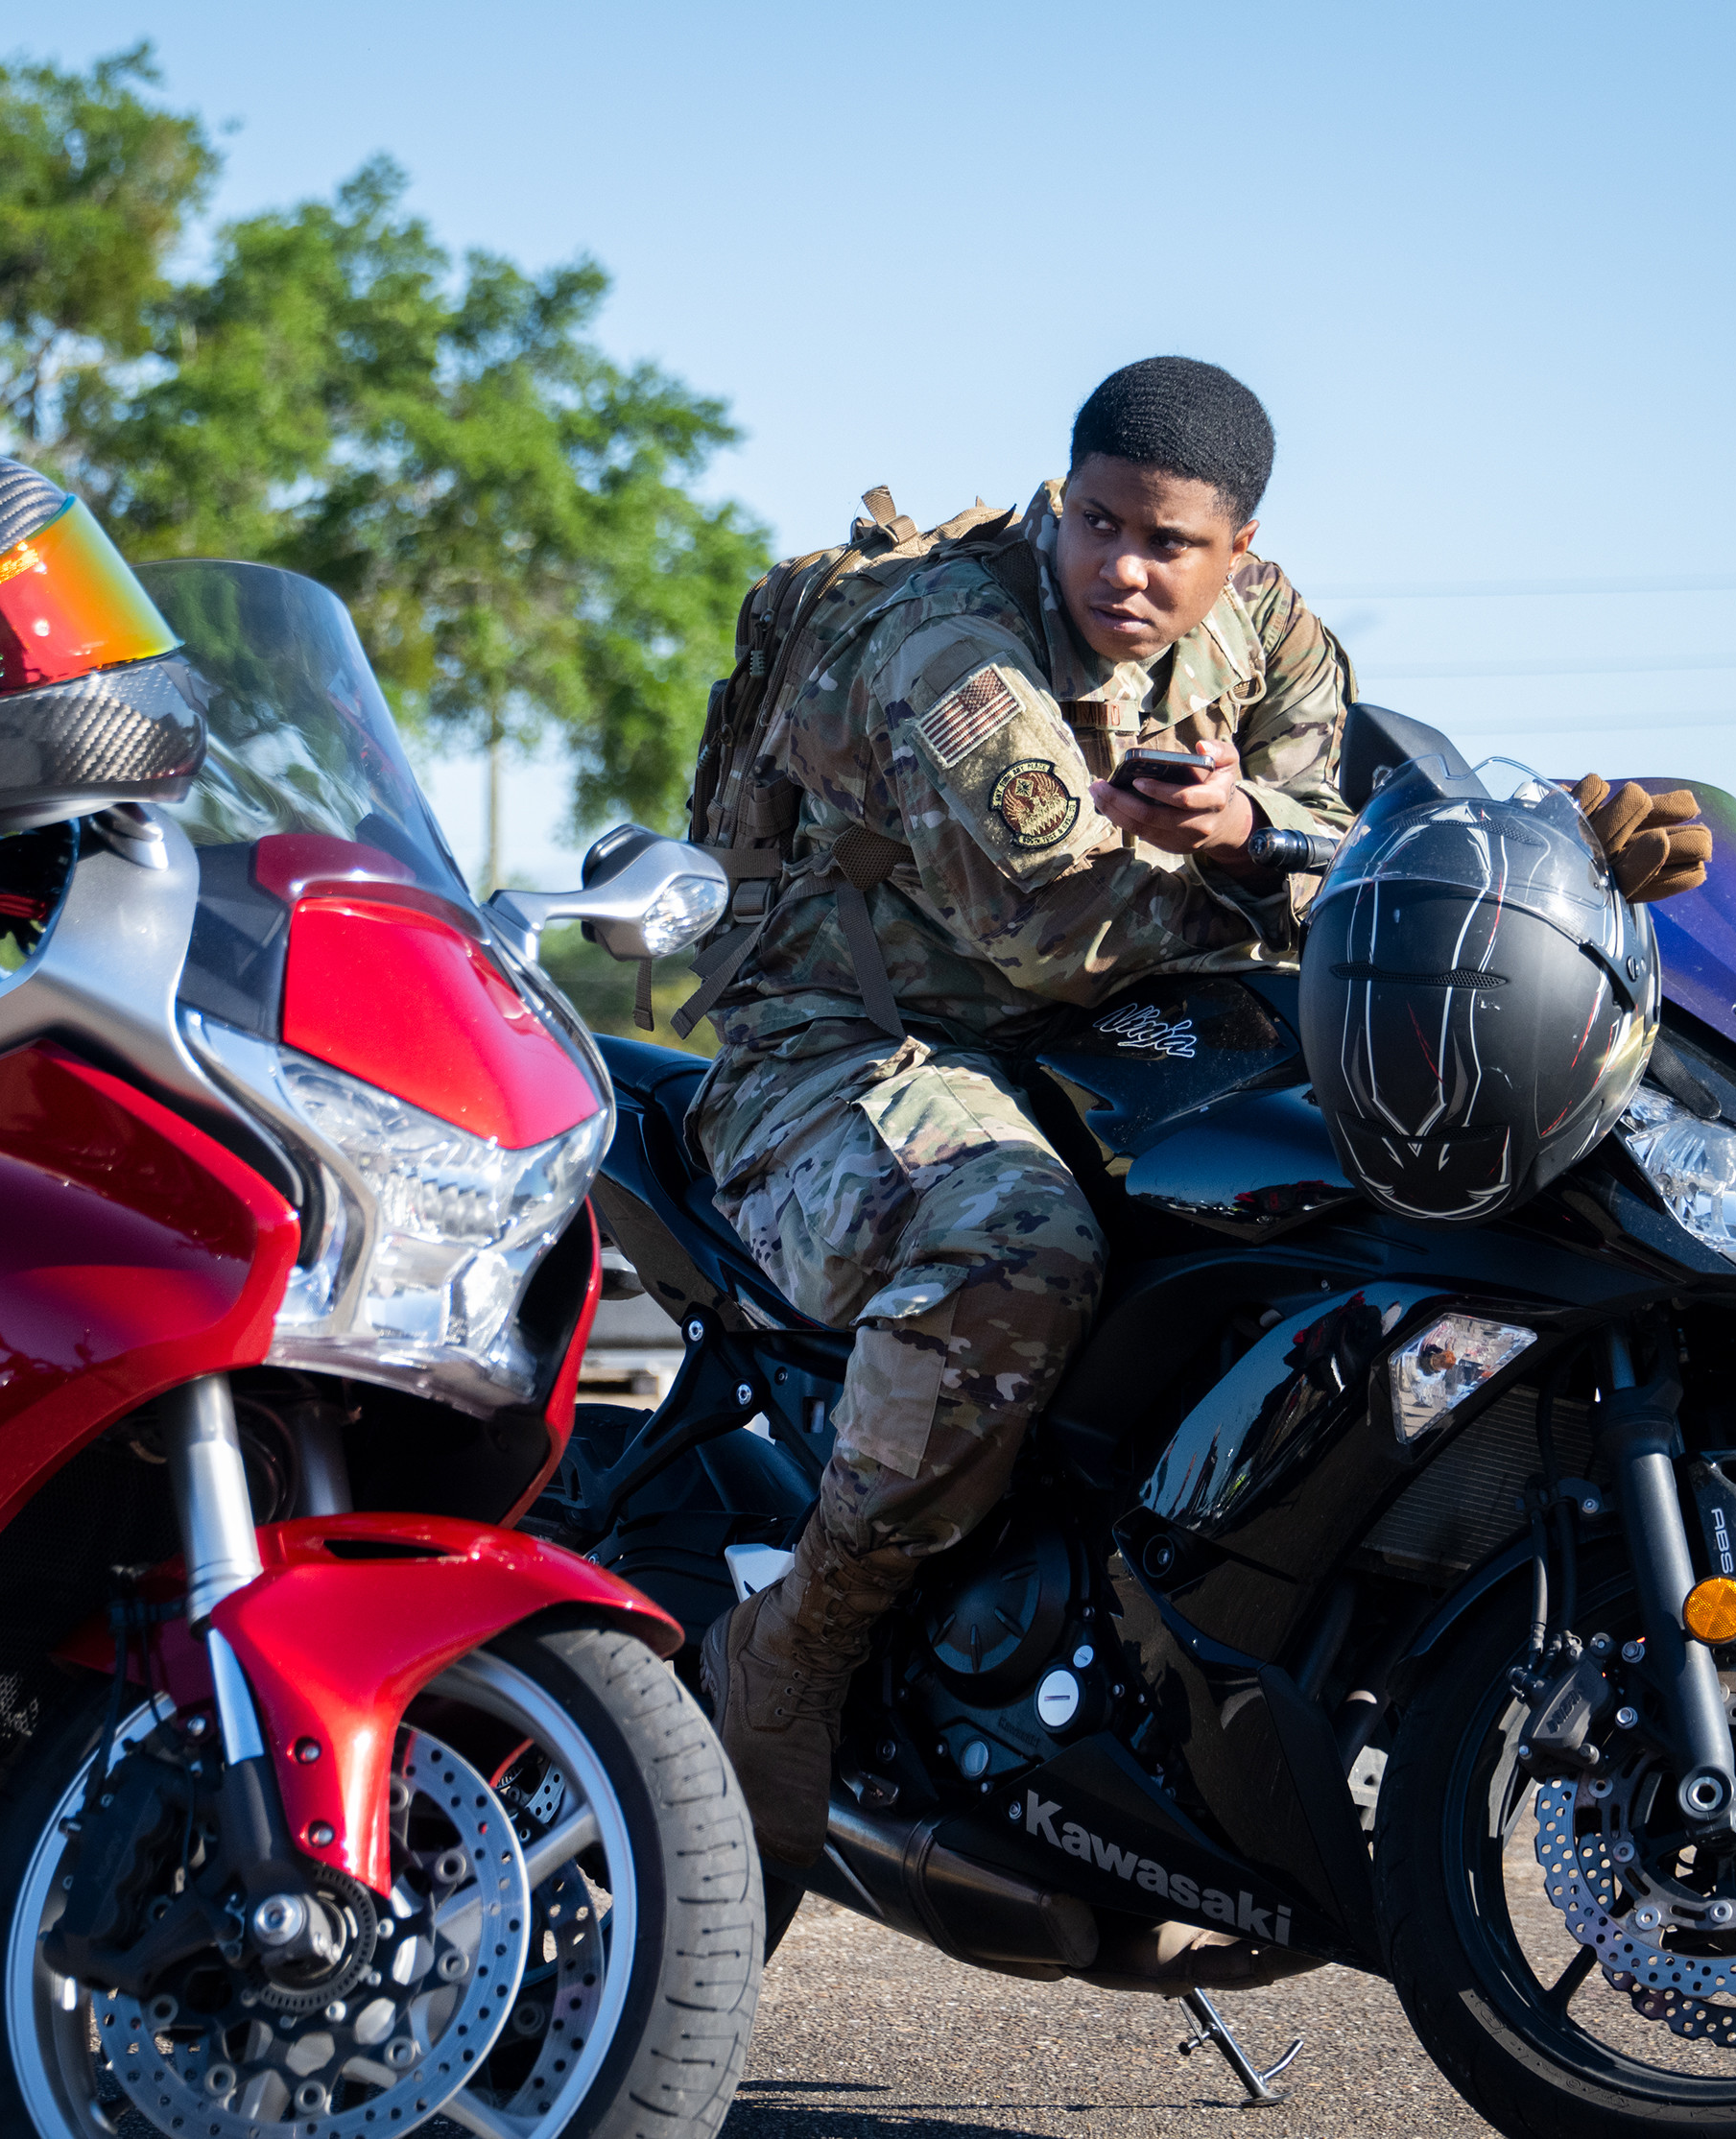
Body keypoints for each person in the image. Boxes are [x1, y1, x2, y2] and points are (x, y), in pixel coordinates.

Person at [692, 357, 1356, 1882]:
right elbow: (1055, 925)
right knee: (1020, 1239)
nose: (1123, 566)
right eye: (1097, 521)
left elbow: (1339, 839)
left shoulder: (1276, 633)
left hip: (1093, 1044)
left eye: (1168, 543)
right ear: (1063, 497)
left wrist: (1308, 841)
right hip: (843, 1049)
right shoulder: (951, 645)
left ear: (1235, 552)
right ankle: (795, 1646)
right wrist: (1257, 865)